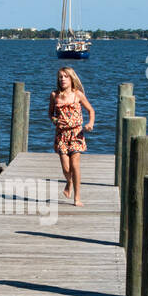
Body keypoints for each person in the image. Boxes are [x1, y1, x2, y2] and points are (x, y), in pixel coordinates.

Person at [49, 66, 95, 205]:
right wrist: (55, 120)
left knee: (75, 165)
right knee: (66, 168)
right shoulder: (54, 95)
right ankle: (69, 182)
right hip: (61, 135)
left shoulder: (78, 94)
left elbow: (90, 110)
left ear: (71, 78)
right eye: (60, 77)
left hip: (76, 133)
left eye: (65, 76)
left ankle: (77, 197)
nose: (62, 79)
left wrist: (90, 123)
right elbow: (50, 114)